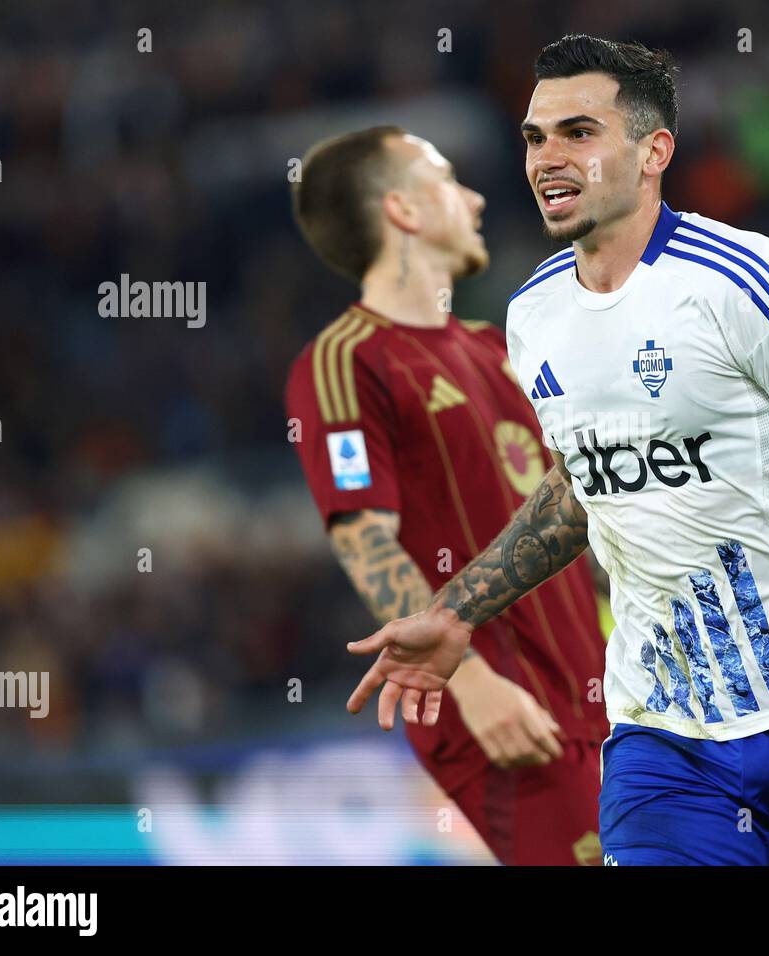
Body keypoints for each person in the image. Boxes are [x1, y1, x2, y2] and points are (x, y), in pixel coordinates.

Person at [346, 35, 769, 864]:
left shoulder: (741, 281)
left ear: (653, 152)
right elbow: (583, 487)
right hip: (662, 743)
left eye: (578, 132)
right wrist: (455, 612)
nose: (547, 158)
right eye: (535, 137)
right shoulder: (533, 318)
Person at [285, 126, 609, 865]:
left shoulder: (501, 347)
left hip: (612, 699)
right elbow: (365, 537)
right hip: (505, 712)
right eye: (448, 179)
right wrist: (469, 681)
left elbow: (583, 517)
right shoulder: (346, 360)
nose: (476, 197)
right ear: (401, 209)